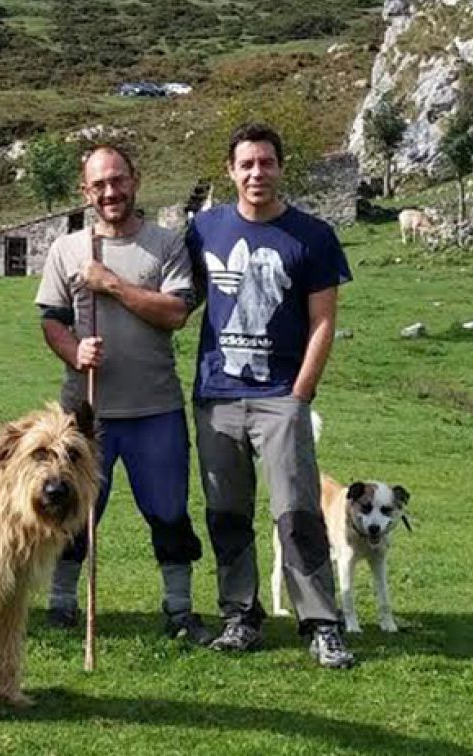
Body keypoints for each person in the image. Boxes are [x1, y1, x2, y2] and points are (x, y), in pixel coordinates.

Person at [187, 122, 356, 669]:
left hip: (281, 395)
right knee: (225, 511)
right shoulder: (203, 230)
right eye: (247, 164)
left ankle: (322, 624)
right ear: (231, 171)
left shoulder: (312, 236)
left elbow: (324, 321)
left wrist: (300, 393)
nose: (257, 173)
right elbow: (174, 298)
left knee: (298, 511)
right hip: (217, 394)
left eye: (266, 162)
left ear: (281, 167)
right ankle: (241, 616)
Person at [35, 145, 212, 645]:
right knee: (70, 510)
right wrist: (74, 353)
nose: (110, 192)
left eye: (119, 180)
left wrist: (109, 283)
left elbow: (175, 313)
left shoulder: (165, 244)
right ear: (84, 191)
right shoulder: (67, 249)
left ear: (135, 180)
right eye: (99, 185)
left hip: (155, 408)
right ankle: (62, 605)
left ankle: (179, 609)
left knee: (168, 510)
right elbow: (51, 320)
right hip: (86, 415)